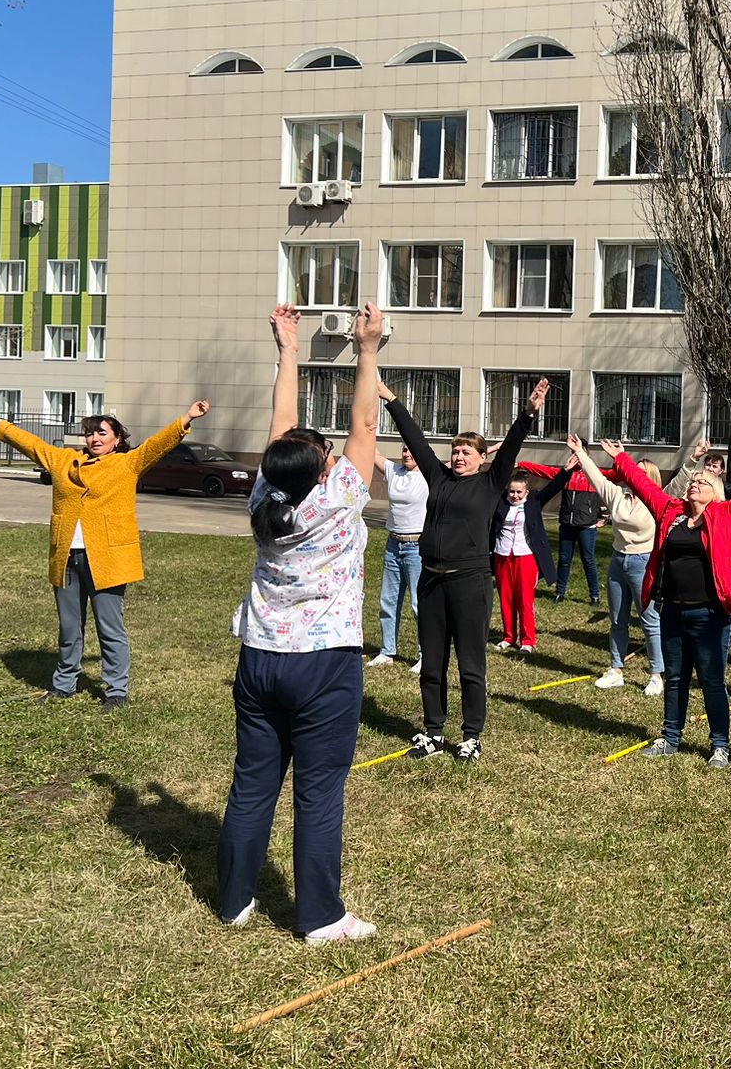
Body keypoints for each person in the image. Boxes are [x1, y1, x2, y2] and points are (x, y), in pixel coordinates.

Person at [220, 302, 383, 945]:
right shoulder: (340, 496)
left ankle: (234, 898)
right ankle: (319, 916)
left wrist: (288, 348)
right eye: (323, 452)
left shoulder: (267, 495)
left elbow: (281, 428)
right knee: (319, 792)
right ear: (322, 470)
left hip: (259, 657)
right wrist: (367, 349)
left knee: (252, 783)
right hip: (324, 662)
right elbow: (365, 420)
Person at [0, 398, 210, 711]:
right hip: (67, 556)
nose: (94, 439)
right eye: (90, 434)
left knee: (110, 628)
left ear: (117, 439)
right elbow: (32, 444)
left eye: (101, 433)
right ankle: (64, 685)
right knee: (70, 628)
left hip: (107, 558)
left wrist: (187, 418)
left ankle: (116, 691)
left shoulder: (128, 463)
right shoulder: (63, 460)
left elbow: (158, 444)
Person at [605, 437, 731, 767]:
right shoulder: (670, 511)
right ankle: (671, 737)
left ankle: (720, 745)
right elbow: (643, 486)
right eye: (693, 480)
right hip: (671, 610)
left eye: (702, 481)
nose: (695, 483)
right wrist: (623, 459)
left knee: (712, 681)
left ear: (715, 491)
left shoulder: (728, 514)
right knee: (675, 678)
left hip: (710, 615)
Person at [382, 376, 547, 764]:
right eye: (455, 451)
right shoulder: (437, 478)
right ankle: (433, 730)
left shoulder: (491, 483)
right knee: (433, 660)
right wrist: (390, 399)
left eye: (466, 453)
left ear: (482, 458)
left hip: (470, 582)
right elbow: (416, 439)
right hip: (431, 579)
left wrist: (527, 413)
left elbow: (512, 446)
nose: (458, 457)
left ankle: (471, 735)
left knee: (471, 663)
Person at [566, 433, 665, 695]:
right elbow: (596, 477)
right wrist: (580, 452)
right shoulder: (617, 496)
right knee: (618, 619)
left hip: (643, 562)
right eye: (633, 470)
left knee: (649, 619)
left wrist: (692, 459)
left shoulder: (658, 500)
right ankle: (616, 669)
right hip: (618, 561)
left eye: (640, 471)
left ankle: (656, 675)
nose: (634, 474)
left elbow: (680, 482)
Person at [491, 463, 577, 652]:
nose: (514, 495)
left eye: (519, 492)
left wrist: (566, 470)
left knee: (524, 599)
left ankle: (528, 640)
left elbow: (553, 487)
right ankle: (508, 636)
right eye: (512, 491)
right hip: (503, 555)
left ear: (526, 492)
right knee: (506, 598)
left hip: (526, 556)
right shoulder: (500, 502)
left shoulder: (534, 502)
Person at [368, 445, 429, 673]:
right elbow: (370, 452)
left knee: (418, 604)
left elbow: (466, 457)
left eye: (412, 450)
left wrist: (492, 449)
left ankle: (426, 656)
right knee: (388, 601)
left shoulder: (428, 474)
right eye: (404, 449)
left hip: (417, 547)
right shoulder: (394, 471)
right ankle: (386, 651)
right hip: (393, 544)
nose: (407, 454)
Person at [520, 456, 612, 605]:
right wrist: (522, 464)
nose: (576, 458)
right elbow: (543, 471)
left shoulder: (595, 475)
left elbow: (617, 474)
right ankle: (560, 592)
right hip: (567, 524)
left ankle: (594, 595)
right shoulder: (566, 474)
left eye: (579, 454)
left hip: (587, 526)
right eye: (574, 454)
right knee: (564, 559)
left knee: (588, 560)